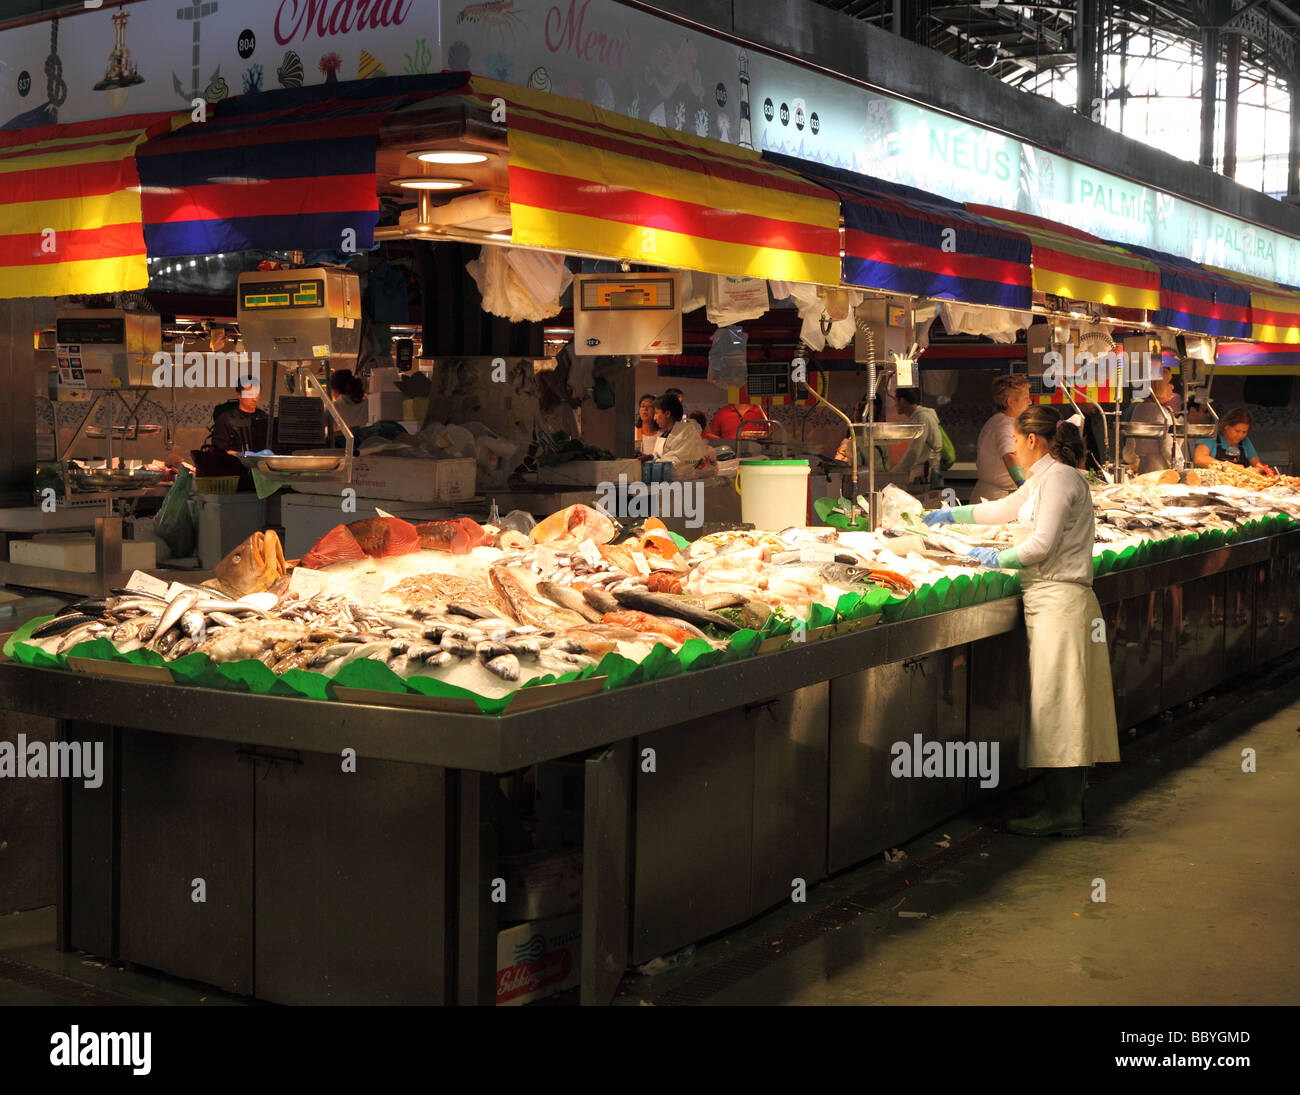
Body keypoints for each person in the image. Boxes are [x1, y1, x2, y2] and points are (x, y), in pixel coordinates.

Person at [922, 406, 1119, 836]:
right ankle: (1066, 806)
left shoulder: (1061, 480)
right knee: (1063, 706)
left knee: (1059, 708)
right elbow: (1004, 510)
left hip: (1060, 603)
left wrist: (994, 558)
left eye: (1015, 438)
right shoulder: (1044, 478)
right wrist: (946, 517)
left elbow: (1041, 546)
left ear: (1033, 440)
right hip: (1050, 603)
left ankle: (1063, 812)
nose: (1013, 446)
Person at [972, 374, 1032, 502]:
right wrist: (1023, 486)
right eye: (1026, 398)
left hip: (996, 494)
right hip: (996, 498)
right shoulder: (1004, 425)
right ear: (1010, 402)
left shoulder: (999, 420)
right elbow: (1010, 455)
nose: (1030, 402)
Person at [649, 393, 717, 478]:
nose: (654, 418)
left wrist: (657, 465)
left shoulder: (685, 433)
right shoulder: (667, 433)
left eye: (656, 413)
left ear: (667, 414)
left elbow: (679, 465)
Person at [1192, 408, 1274, 475]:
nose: (1240, 435)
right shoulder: (1211, 438)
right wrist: (1231, 467)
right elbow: (1199, 459)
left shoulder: (1245, 442)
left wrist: (1255, 471)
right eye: (1237, 431)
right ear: (1226, 427)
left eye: (1244, 432)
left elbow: (1258, 465)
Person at [892, 387, 944, 491]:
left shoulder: (922, 417)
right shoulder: (919, 416)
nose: (894, 404)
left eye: (895, 400)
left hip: (928, 474)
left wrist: (894, 474)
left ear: (902, 400)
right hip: (925, 472)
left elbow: (914, 451)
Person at [1130, 376, 1180, 474]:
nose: (1172, 387)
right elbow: (1169, 448)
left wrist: (1134, 462)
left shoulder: (1139, 409)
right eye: (1168, 383)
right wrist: (1181, 467)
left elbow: (1129, 449)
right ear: (1157, 388)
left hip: (1142, 468)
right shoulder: (1161, 412)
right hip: (1161, 471)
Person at [211, 375, 270, 455]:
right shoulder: (225, 419)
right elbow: (218, 451)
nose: (254, 398)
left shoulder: (263, 417)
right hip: (233, 465)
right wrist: (243, 455)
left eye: (257, 394)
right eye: (250, 394)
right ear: (239, 394)